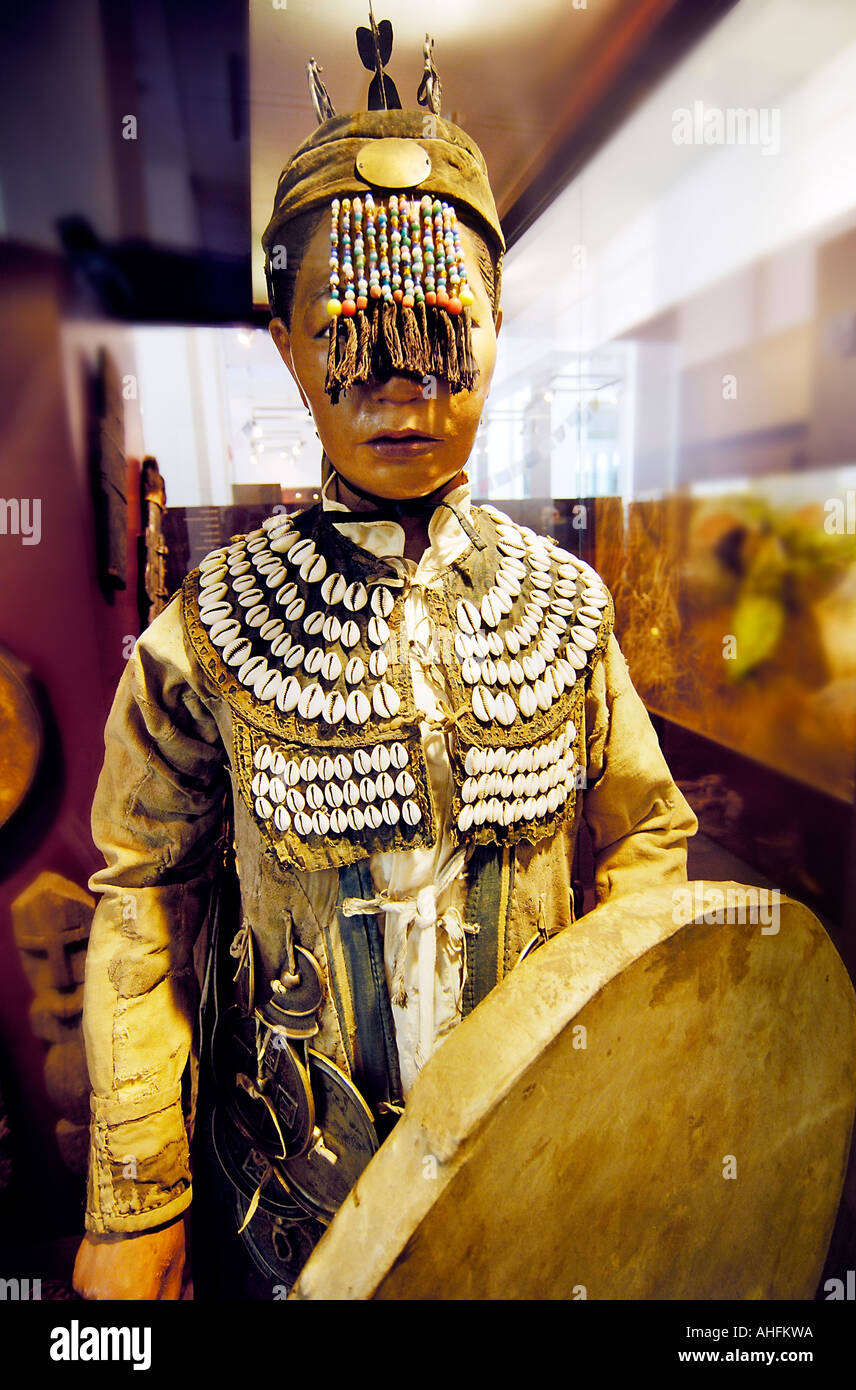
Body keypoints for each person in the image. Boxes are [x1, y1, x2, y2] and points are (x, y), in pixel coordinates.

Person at [73, 83, 697, 1301]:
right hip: (289, 1211)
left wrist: (642, 1080)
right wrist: (138, 1191)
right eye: (360, 346)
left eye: (440, 343)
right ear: (289, 344)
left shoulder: (567, 610)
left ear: (498, 327)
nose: (402, 395)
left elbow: (648, 843)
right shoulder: (201, 635)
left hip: (538, 1183)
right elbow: (144, 901)